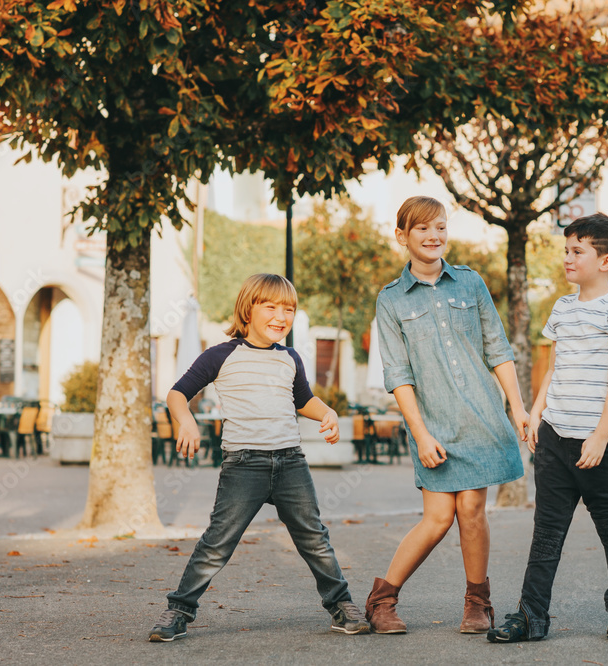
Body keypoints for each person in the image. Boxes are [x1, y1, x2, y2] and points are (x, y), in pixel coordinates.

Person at [148, 273, 370, 642]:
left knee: (314, 538)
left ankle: (341, 606)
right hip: (243, 465)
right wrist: (185, 421)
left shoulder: (290, 358)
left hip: (290, 463)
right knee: (217, 543)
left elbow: (304, 401)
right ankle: (179, 610)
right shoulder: (220, 355)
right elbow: (176, 393)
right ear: (248, 309)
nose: (281, 316)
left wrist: (327, 413)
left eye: (289, 309)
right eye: (271, 307)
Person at [366, 196, 529, 634]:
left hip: (479, 418)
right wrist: (420, 433)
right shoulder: (391, 300)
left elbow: (497, 347)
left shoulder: (471, 284)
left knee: (472, 509)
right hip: (432, 424)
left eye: (439, 226)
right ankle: (382, 601)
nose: (433, 235)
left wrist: (518, 407)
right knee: (437, 519)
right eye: (422, 228)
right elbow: (398, 374)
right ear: (402, 236)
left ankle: (478, 604)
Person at [488, 213, 608, 644]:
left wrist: (599, 436)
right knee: (546, 532)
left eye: (578, 251)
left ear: (606, 261)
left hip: (601, 443)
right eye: (566, 251)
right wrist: (536, 411)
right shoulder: (562, 307)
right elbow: (554, 369)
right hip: (555, 438)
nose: (568, 258)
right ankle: (531, 615)